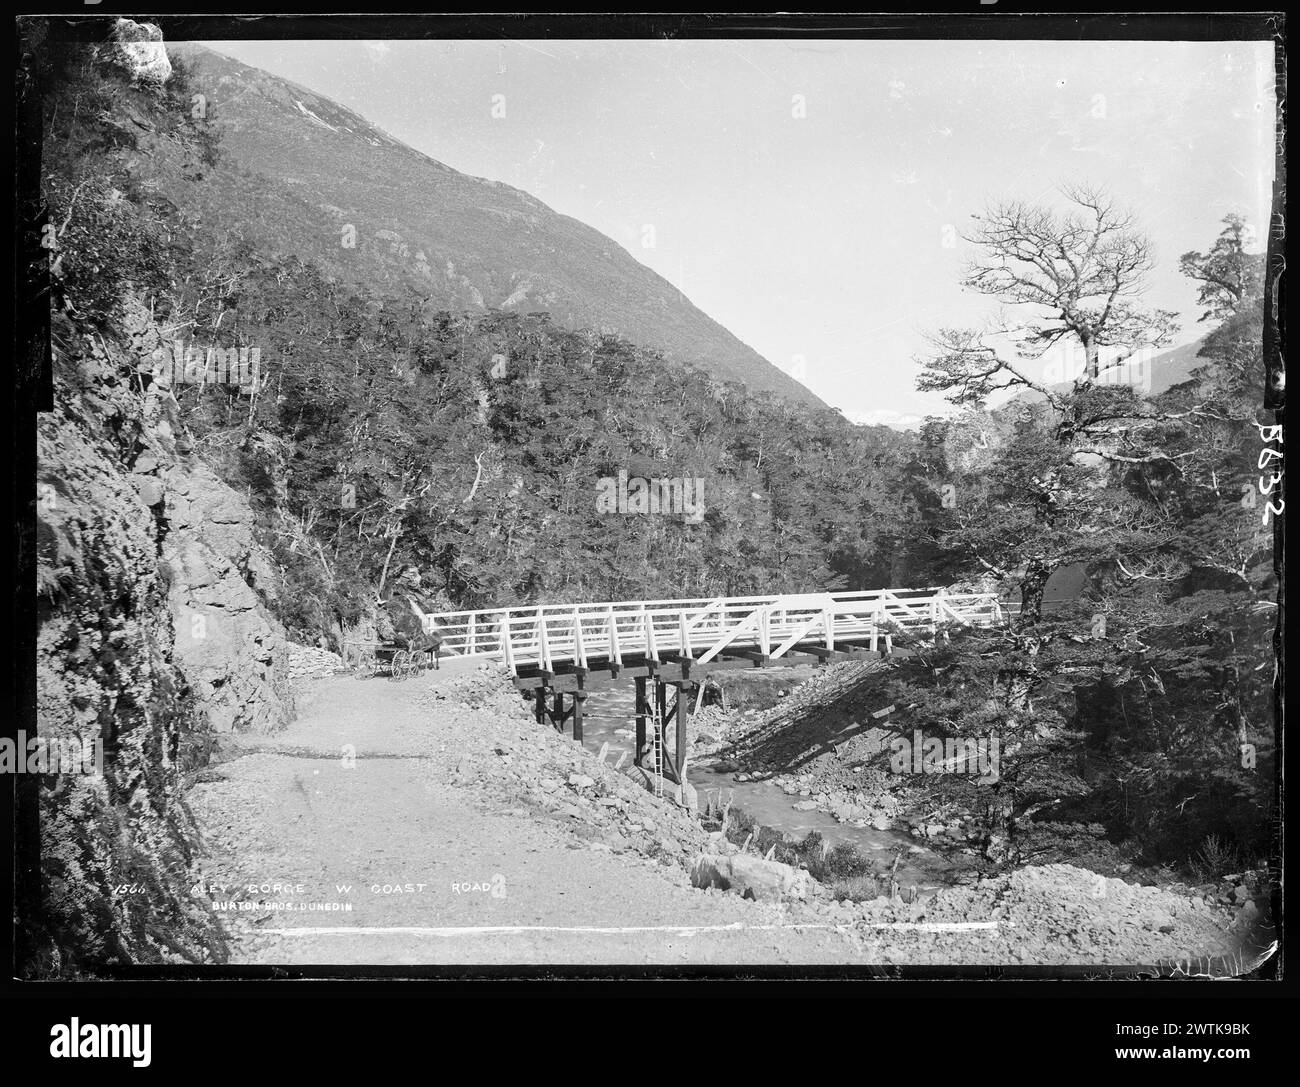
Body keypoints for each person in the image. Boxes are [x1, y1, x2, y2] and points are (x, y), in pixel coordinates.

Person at [377, 564, 444, 670]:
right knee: (416, 625)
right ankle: (424, 656)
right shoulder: (406, 615)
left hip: (397, 634)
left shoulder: (395, 600)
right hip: (405, 636)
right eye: (409, 575)